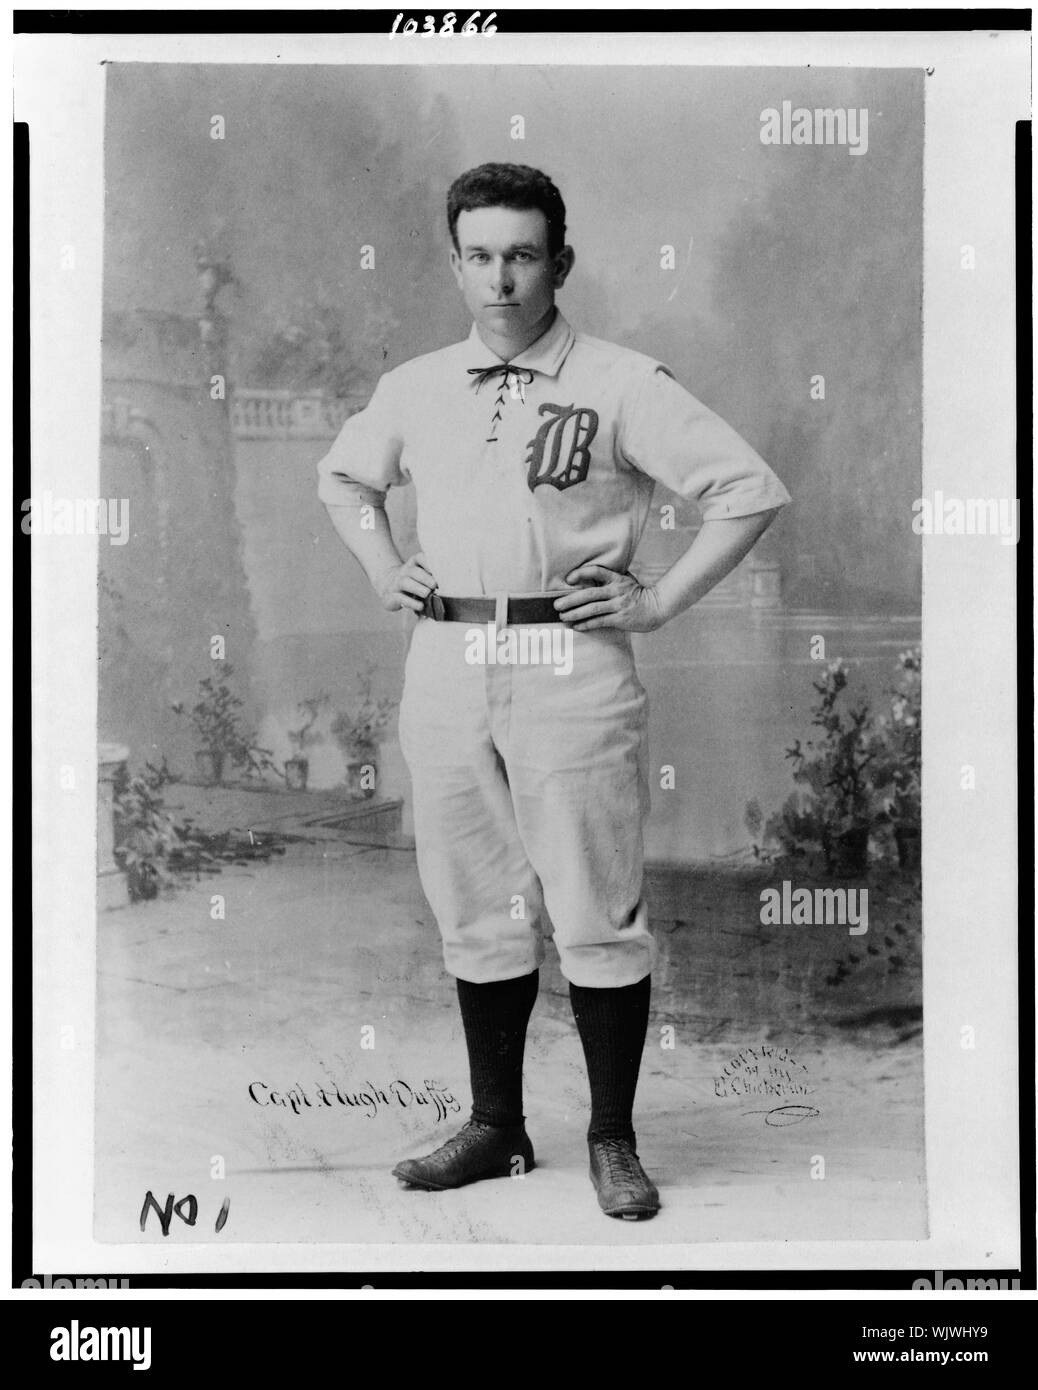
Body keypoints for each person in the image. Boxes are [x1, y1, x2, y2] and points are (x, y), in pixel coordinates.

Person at [317, 162, 791, 1220]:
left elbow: (747, 487)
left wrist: (659, 600)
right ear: (455, 265)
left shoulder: (619, 381)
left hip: (566, 661)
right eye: (479, 257)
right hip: (446, 658)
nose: (501, 280)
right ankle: (497, 1127)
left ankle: (612, 1139)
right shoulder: (418, 385)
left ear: (560, 262)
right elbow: (345, 478)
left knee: (593, 907)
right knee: (473, 902)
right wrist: (382, 563)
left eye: (522, 255)